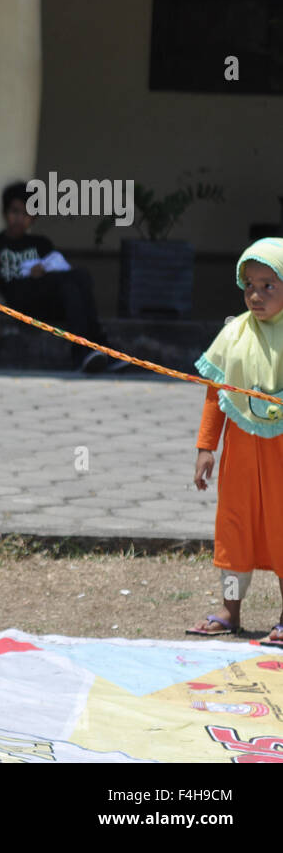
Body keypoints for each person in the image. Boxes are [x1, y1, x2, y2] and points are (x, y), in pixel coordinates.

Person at [188, 238, 283, 647]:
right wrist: (206, 448)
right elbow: (216, 394)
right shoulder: (233, 334)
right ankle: (231, 611)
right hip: (241, 451)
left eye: (268, 286)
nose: (255, 295)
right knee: (234, 529)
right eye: (249, 285)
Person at [0, 181, 121, 372]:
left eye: (26, 214)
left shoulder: (41, 243)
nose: (19, 219)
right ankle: (93, 349)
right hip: (20, 299)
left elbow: (60, 271)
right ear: (5, 213)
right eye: (14, 212)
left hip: (47, 301)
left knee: (78, 278)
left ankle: (91, 351)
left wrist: (44, 270)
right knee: (73, 279)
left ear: (33, 218)